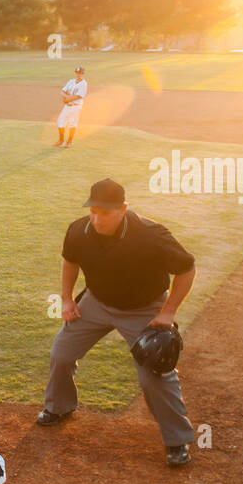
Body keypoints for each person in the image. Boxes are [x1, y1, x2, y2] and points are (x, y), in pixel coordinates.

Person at [36, 178, 196, 467]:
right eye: (93, 211)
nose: (97, 219)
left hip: (144, 308)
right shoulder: (78, 230)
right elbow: (70, 261)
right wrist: (68, 299)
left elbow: (186, 268)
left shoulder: (151, 235)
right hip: (96, 302)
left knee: (155, 372)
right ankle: (59, 408)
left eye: (105, 213)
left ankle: (177, 440)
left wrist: (169, 311)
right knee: (61, 353)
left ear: (123, 209)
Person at [55, 66, 87, 147]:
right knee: (60, 121)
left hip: (76, 106)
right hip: (67, 106)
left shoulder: (84, 84)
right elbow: (62, 91)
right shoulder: (71, 81)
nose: (78, 74)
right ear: (75, 73)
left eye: (80, 73)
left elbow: (79, 96)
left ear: (83, 74)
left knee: (72, 123)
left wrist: (68, 99)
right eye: (77, 72)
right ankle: (61, 140)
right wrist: (66, 98)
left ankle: (69, 142)